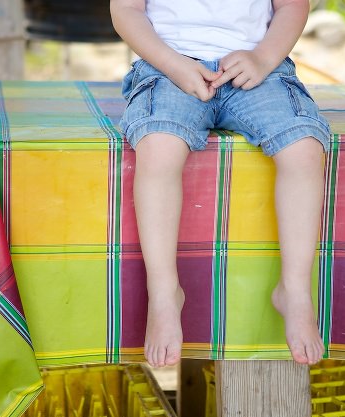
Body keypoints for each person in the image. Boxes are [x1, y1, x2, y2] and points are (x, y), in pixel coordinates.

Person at [110, 0, 332, 368]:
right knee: (159, 146)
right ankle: (164, 293)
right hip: (168, 69)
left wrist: (263, 58)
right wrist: (174, 64)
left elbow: (293, 6)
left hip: (259, 71)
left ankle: (294, 289)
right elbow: (126, 10)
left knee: (303, 147)